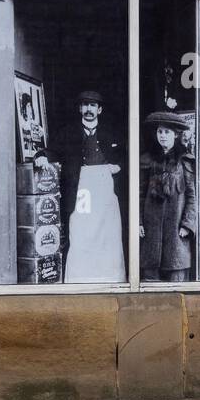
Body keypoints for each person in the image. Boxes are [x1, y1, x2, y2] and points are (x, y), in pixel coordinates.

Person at [58, 90, 126, 284]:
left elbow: (126, 156)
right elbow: (54, 151)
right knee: (81, 232)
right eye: (85, 105)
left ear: (100, 110)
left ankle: (109, 279)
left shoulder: (112, 132)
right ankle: (80, 279)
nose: (89, 109)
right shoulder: (68, 133)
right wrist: (43, 157)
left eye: (93, 105)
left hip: (105, 189)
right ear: (80, 108)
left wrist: (117, 166)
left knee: (107, 235)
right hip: (81, 190)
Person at [139, 111, 197, 282]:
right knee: (151, 279)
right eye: (160, 132)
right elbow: (140, 193)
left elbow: (192, 195)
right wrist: (139, 221)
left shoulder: (184, 160)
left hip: (176, 232)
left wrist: (187, 224)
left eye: (167, 132)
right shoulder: (147, 160)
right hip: (152, 232)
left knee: (176, 279)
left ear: (176, 135)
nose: (162, 136)